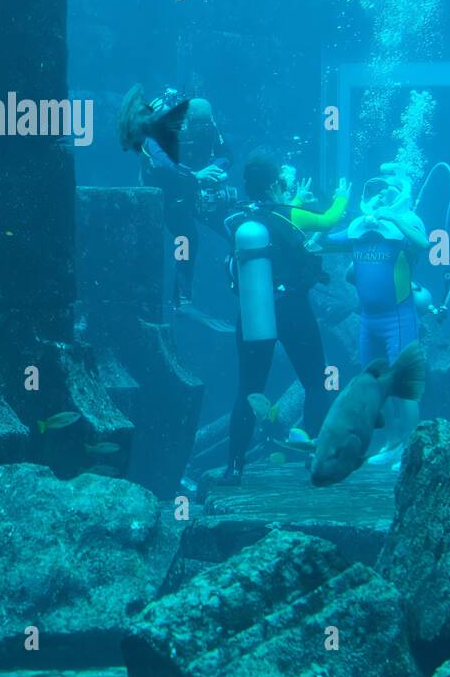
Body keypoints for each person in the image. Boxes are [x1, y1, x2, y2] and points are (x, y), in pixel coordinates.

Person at [221, 150, 350, 484]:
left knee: (248, 389)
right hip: (292, 308)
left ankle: (233, 468)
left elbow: (273, 221)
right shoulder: (290, 214)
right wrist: (341, 196)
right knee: (314, 382)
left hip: (254, 310)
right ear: (274, 184)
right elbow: (328, 220)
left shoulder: (242, 221)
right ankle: (317, 461)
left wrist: (293, 199)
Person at [324, 164, 429, 465]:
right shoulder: (359, 227)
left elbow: (423, 244)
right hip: (368, 321)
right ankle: (392, 442)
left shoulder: (408, 221)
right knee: (374, 383)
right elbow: (328, 242)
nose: (380, 197)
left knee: (403, 387)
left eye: (387, 193)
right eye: (375, 192)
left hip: (399, 319)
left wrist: (393, 217)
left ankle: (411, 449)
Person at [134, 90, 234, 309]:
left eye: (205, 127)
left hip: (196, 190)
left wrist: (214, 170)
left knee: (232, 229)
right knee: (187, 239)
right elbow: (159, 160)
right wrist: (194, 175)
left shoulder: (210, 126)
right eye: (197, 128)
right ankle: (181, 299)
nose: (201, 133)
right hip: (169, 193)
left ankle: (246, 284)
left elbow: (227, 154)